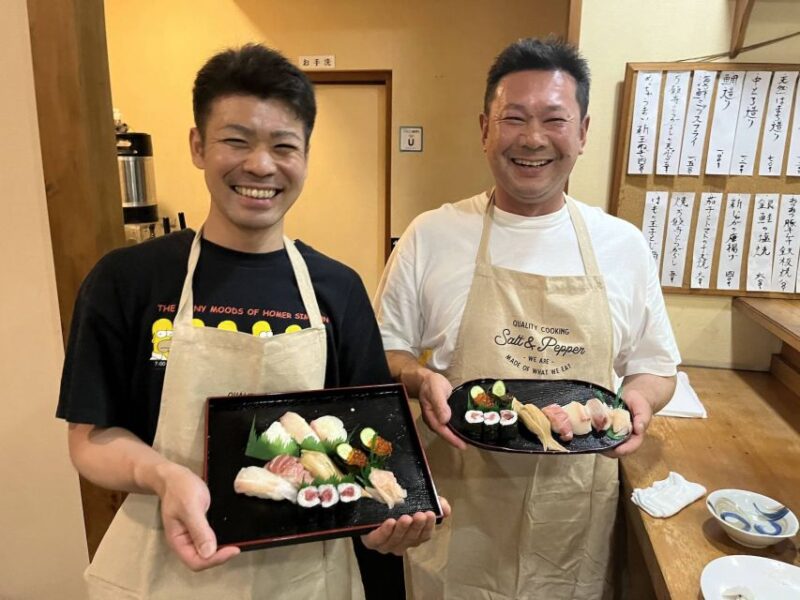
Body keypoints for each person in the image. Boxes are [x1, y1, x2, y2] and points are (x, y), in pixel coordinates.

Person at [57, 43, 447, 599]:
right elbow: (90, 437)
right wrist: (164, 476)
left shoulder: (337, 289)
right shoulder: (128, 279)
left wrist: (389, 521)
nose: (260, 165)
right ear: (197, 145)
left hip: (305, 576)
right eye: (236, 141)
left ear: (306, 156)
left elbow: (368, 438)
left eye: (283, 146)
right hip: (164, 568)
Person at [374, 37, 680, 599]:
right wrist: (419, 379)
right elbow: (385, 353)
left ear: (583, 131)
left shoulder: (623, 246)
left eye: (554, 119)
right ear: (484, 128)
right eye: (513, 118)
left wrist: (639, 402)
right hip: (456, 511)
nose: (533, 138)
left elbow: (655, 367)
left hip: (572, 523)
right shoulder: (431, 235)